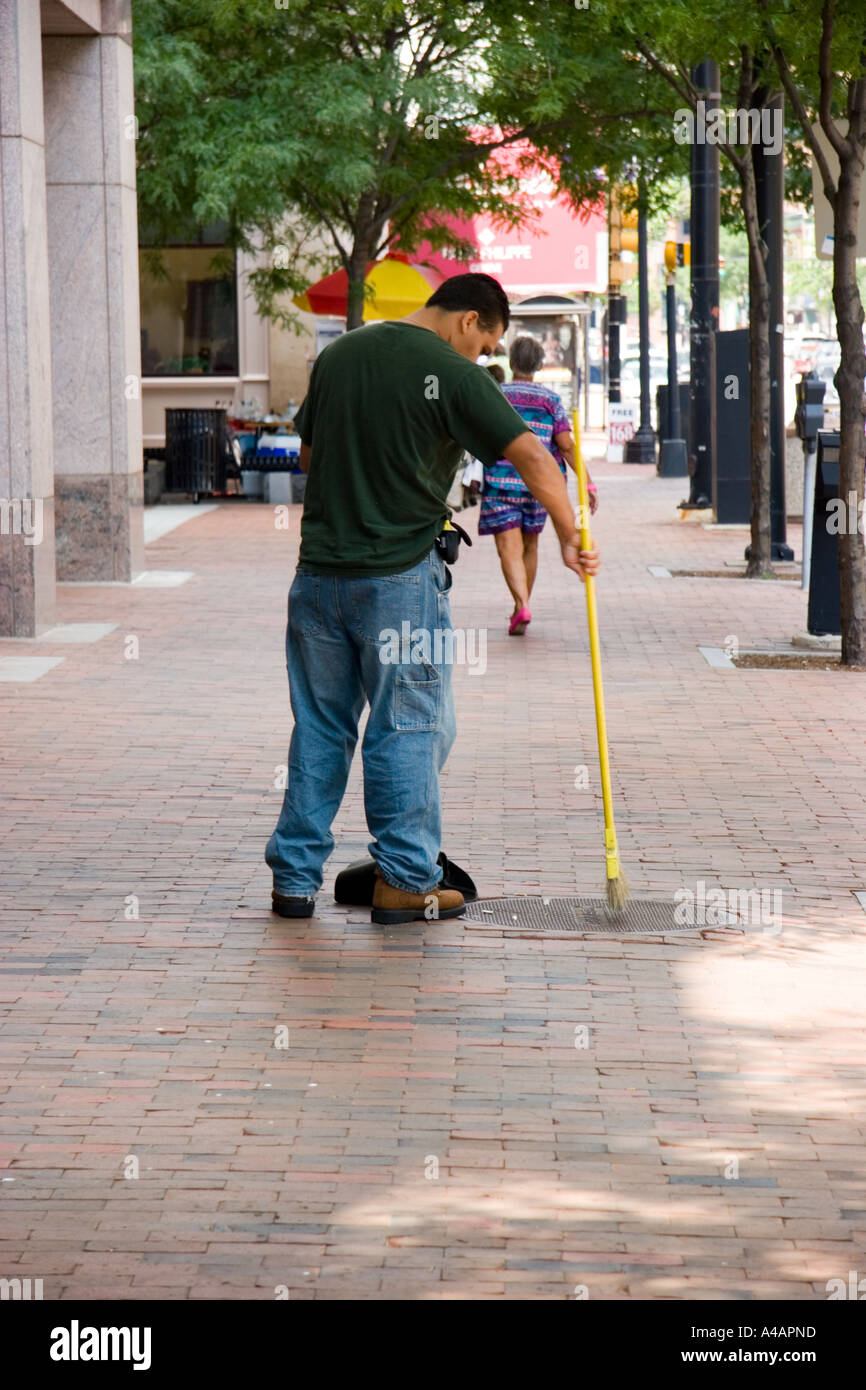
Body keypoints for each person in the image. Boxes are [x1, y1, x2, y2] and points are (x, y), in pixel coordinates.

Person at [265, 274, 600, 926]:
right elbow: (531, 454)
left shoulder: (339, 357)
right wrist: (568, 533)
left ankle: (295, 881)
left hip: (316, 577)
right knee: (408, 725)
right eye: (486, 342)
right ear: (470, 320)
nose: (481, 357)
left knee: (321, 727)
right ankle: (406, 880)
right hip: (397, 580)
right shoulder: (452, 372)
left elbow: (310, 454)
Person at [479, 334, 598, 635]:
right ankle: (523, 605)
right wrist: (588, 482)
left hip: (501, 481)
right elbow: (567, 446)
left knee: (509, 546)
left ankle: (521, 604)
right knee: (530, 545)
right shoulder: (550, 399)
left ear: (511, 362)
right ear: (540, 364)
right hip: (540, 486)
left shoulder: (497, 394)